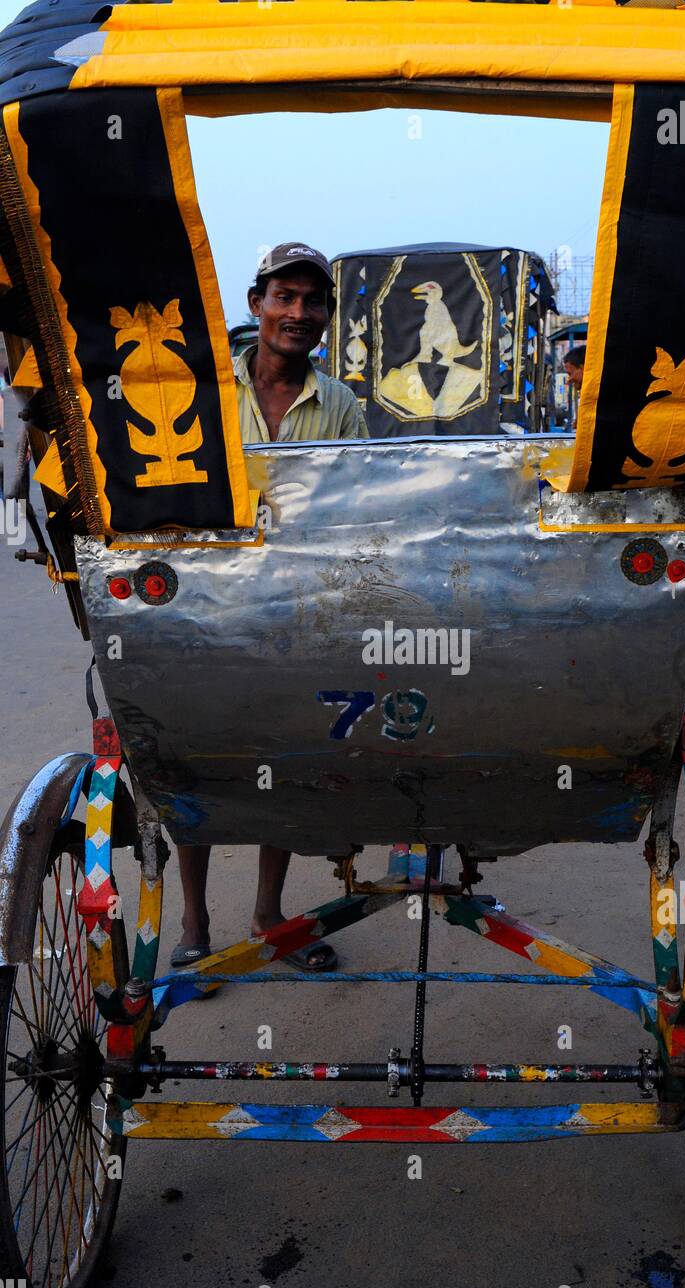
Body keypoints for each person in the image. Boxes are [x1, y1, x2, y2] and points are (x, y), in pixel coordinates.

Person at [171, 242, 369, 971]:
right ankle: (193, 925)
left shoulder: (340, 401)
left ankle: (268, 917)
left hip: (298, 613)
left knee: (283, 763)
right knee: (193, 760)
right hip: (205, 606)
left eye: (313, 302)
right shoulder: (202, 390)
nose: (298, 314)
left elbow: (355, 508)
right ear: (256, 305)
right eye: (284, 297)